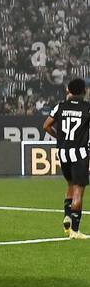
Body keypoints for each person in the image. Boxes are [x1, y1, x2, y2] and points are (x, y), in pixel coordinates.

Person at [42, 77, 90, 239]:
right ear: (84, 91)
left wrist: (58, 138)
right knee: (78, 191)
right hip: (80, 154)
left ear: (68, 90)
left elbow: (46, 125)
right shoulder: (87, 108)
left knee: (70, 184)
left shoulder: (60, 107)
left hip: (63, 152)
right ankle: (75, 231)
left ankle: (67, 216)